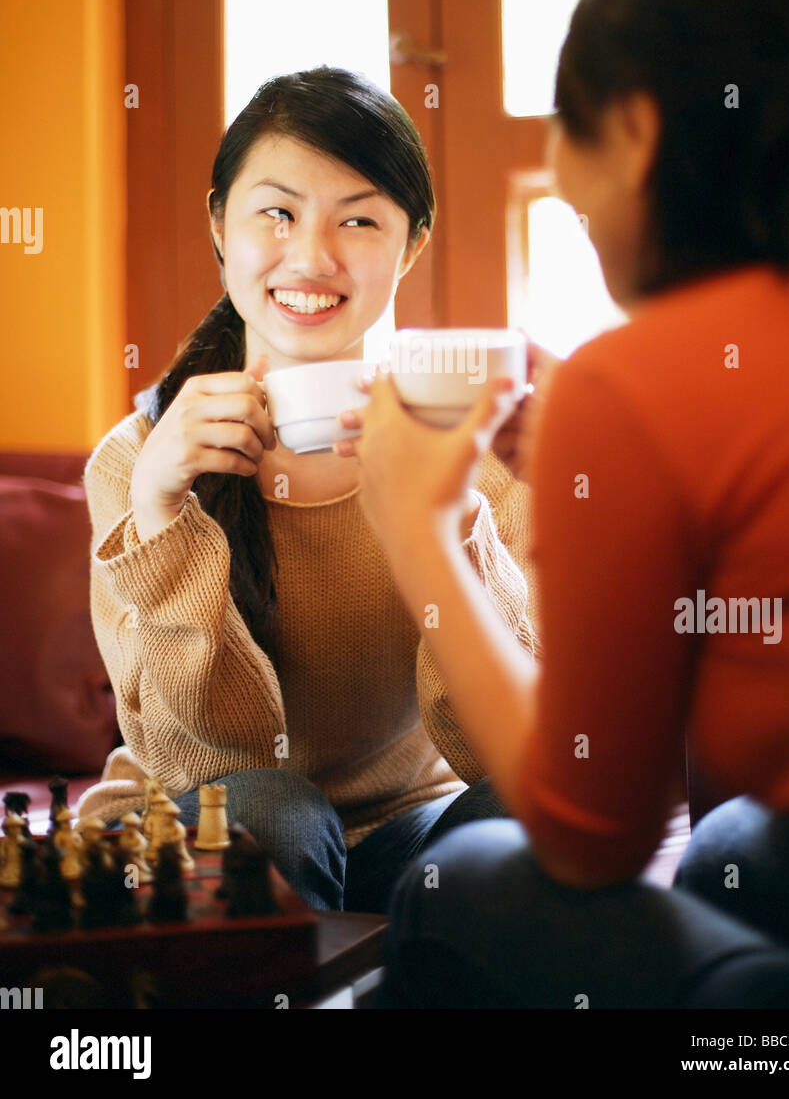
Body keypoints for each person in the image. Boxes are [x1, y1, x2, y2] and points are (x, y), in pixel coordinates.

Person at [334, 0, 789, 1006]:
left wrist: (415, 531)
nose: (561, 180)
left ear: (630, 128)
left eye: (563, 132)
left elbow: (593, 833)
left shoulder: (644, 385)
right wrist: (602, 472)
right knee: (735, 837)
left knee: (459, 874)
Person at [77, 68, 541, 913]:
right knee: (271, 809)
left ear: (412, 245)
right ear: (220, 224)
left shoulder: (473, 444)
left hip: (410, 834)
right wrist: (160, 514)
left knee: (528, 811)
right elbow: (200, 768)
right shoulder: (137, 460)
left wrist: (453, 519)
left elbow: (508, 749)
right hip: (212, 822)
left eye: (359, 219)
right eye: (277, 213)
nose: (313, 256)